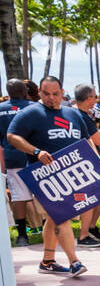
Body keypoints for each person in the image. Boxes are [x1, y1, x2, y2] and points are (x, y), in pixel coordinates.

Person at [5, 76, 93, 277]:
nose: (51, 98)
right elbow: (12, 136)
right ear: (39, 93)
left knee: (55, 218)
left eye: (55, 94)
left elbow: (86, 143)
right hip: (44, 177)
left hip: (73, 175)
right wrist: (36, 152)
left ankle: (48, 261)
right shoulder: (31, 113)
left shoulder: (73, 114)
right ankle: (75, 262)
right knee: (61, 215)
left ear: (62, 92)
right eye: (46, 94)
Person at [1, 78, 40, 245]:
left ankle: (22, 235)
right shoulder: (35, 108)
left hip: (12, 158)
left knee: (18, 197)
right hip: (37, 156)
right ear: (25, 91)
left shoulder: (0, 110)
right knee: (46, 192)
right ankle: (55, 227)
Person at [72, 83, 100, 245]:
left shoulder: (73, 113)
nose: (96, 99)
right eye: (95, 97)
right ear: (89, 99)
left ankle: (91, 227)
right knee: (90, 198)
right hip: (87, 162)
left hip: (80, 160)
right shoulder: (82, 117)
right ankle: (84, 234)